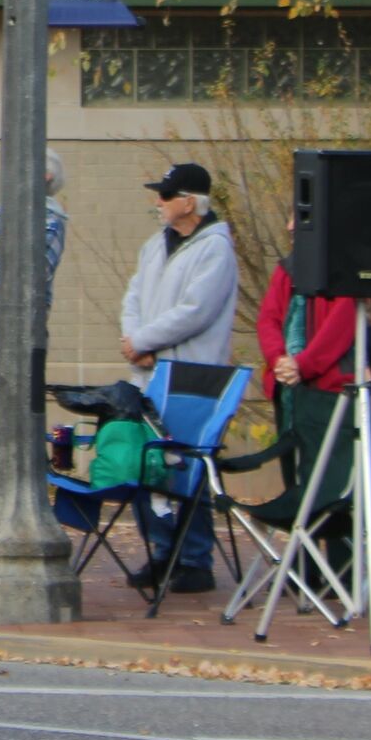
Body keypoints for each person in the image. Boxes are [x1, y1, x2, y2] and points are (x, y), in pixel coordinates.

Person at [119, 161, 238, 593]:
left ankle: (194, 560)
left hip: (192, 376)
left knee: (186, 466)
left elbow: (196, 311)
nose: (158, 202)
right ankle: (162, 552)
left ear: (190, 203)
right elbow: (133, 296)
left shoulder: (215, 249)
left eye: (166, 195)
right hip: (149, 373)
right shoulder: (154, 246)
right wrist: (134, 340)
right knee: (148, 462)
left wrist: (145, 340)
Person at [0, 149, 70, 534]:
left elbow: (20, 274)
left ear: (45, 177)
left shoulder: (49, 220)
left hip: (6, 354)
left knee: (17, 452)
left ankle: (29, 535)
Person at [257, 214, 357, 401]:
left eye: (299, 218)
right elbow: (268, 321)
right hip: (286, 384)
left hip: (332, 391)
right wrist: (279, 361)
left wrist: (301, 365)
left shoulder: (344, 272)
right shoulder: (286, 271)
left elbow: (337, 331)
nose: (289, 226)